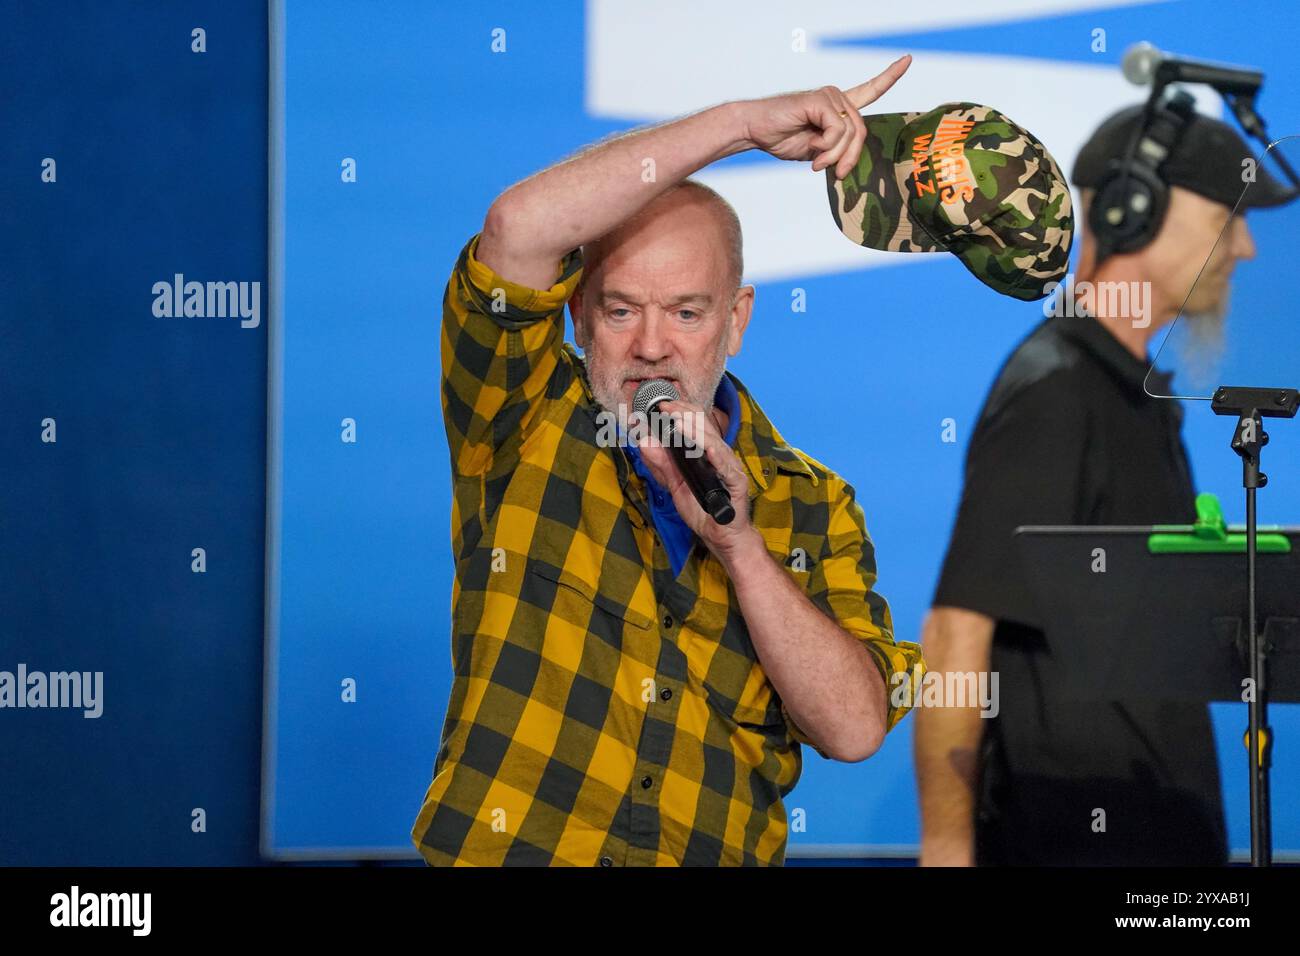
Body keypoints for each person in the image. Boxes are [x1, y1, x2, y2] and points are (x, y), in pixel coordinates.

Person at [411, 57, 927, 866]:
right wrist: (739, 125)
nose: (653, 347)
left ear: (736, 318)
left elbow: (855, 727)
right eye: (622, 310)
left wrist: (741, 551)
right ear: (579, 313)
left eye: (687, 312)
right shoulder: (523, 418)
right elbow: (515, 227)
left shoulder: (812, 502)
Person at [914, 97, 1297, 866]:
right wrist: (947, 851)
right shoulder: (1057, 390)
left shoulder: (1135, 396)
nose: (1247, 246)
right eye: (1230, 213)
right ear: (1132, 212)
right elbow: (958, 635)